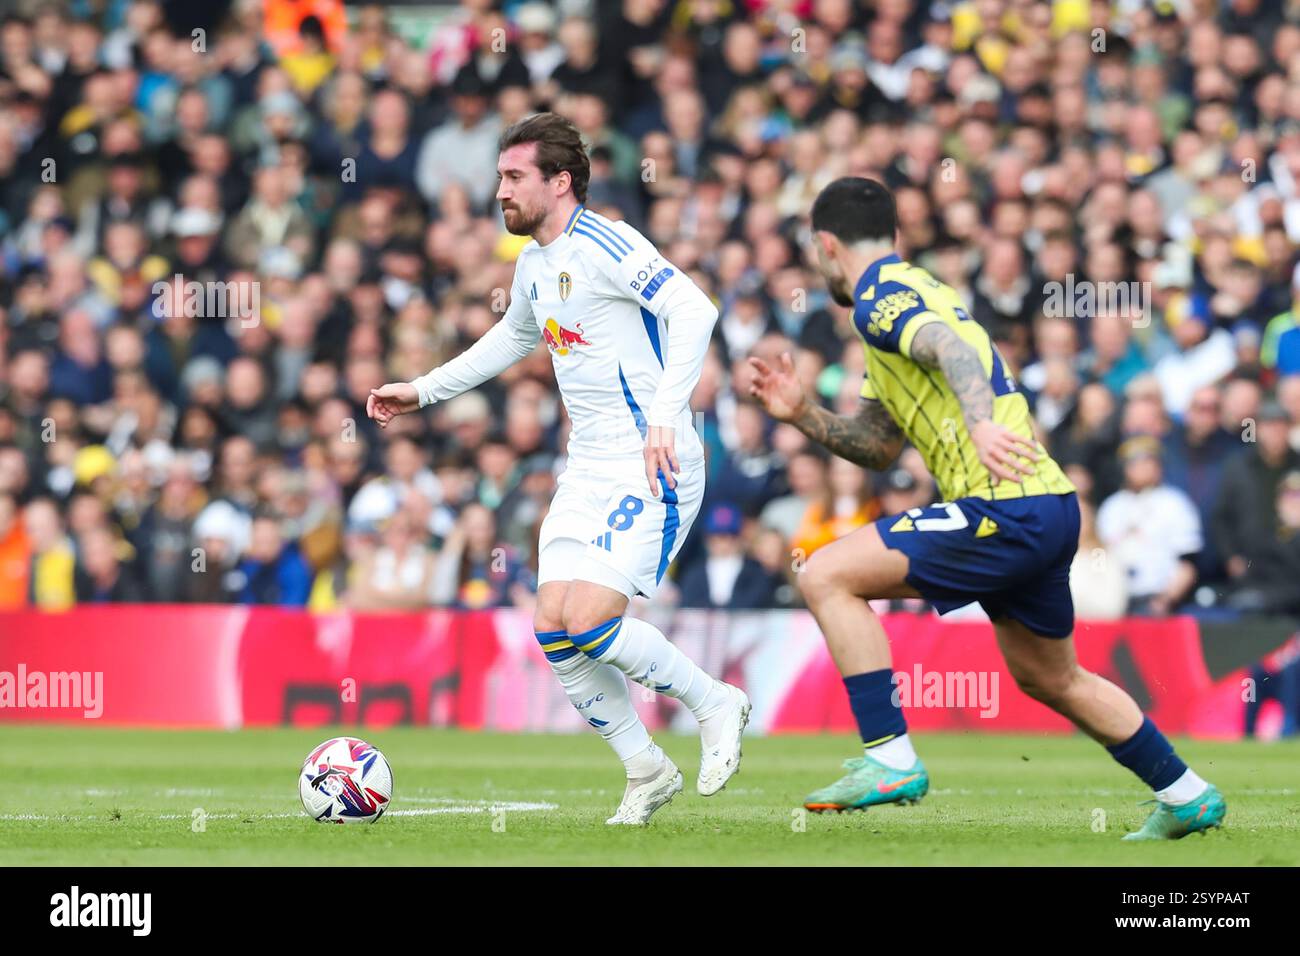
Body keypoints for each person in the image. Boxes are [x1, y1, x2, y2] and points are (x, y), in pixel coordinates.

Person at [748, 177, 1224, 840]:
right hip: (1047, 505)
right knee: (1051, 677)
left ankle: (889, 759)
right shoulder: (914, 297)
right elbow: (880, 446)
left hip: (1003, 504)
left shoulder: (881, 299)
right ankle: (1187, 793)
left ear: (826, 246)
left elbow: (951, 347)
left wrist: (976, 423)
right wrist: (802, 413)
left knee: (825, 573)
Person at [367, 113, 748, 825]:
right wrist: (422, 390)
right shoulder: (534, 264)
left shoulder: (605, 241)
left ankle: (713, 701)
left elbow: (695, 309)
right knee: (551, 624)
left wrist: (668, 413)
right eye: (501, 177)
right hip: (589, 465)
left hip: (652, 459)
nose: (500, 191)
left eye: (514, 178)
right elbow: (510, 340)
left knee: (589, 617)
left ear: (560, 181)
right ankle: (645, 768)